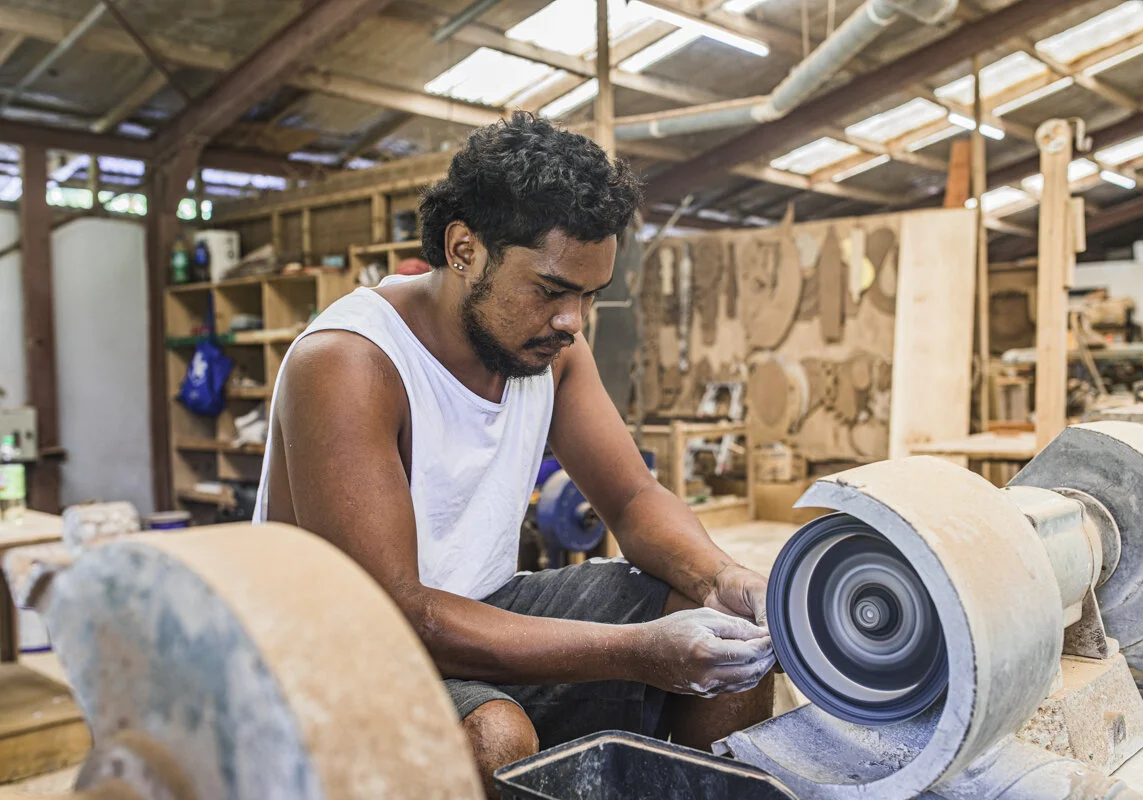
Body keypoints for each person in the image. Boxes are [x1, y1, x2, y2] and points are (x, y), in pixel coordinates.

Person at [254, 112, 776, 795]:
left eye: (589, 296)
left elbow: (631, 498)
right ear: (465, 250)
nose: (572, 321)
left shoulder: (551, 353)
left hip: (478, 608)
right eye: (551, 290)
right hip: (348, 654)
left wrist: (721, 578)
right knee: (496, 737)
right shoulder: (351, 363)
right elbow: (398, 614)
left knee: (728, 635)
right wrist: (637, 653)